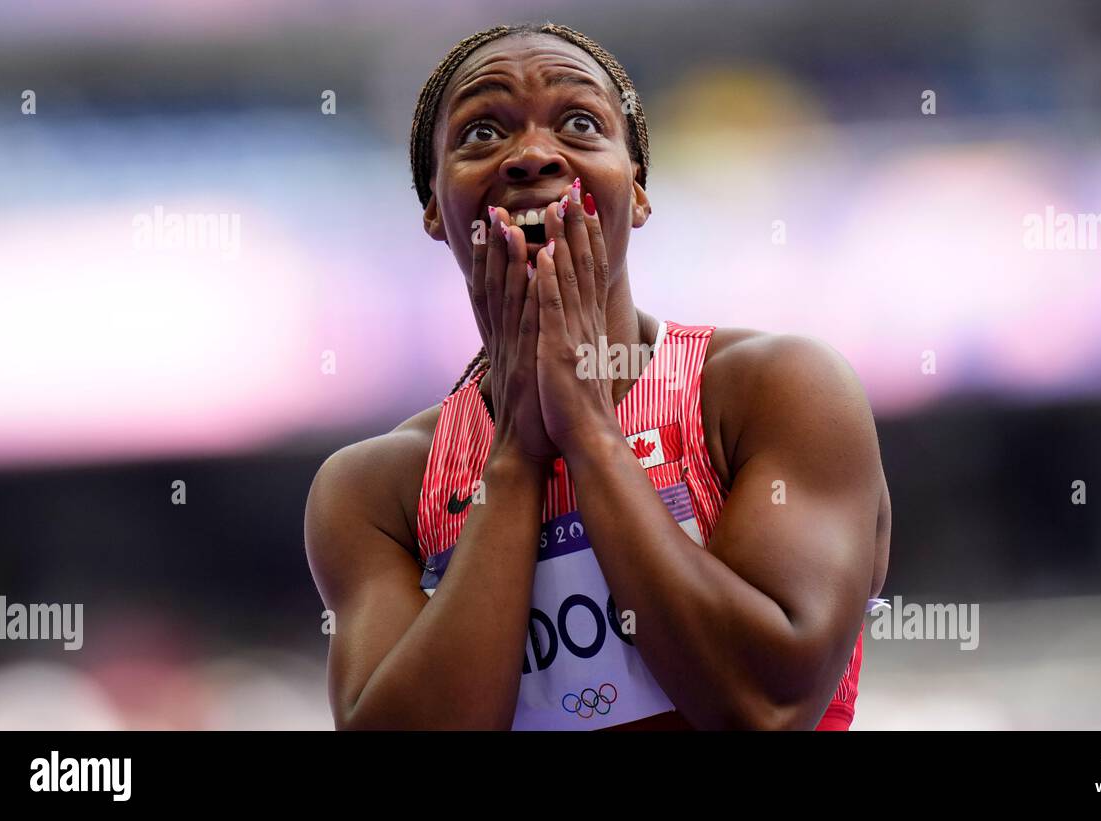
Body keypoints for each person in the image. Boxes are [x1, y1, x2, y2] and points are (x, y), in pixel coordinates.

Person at [304, 22, 891, 730]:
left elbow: (763, 707)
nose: (532, 156)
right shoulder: (377, 490)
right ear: (434, 207)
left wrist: (586, 426)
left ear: (637, 189)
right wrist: (518, 451)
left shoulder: (776, 391)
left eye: (580, 123)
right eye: (481, 133)